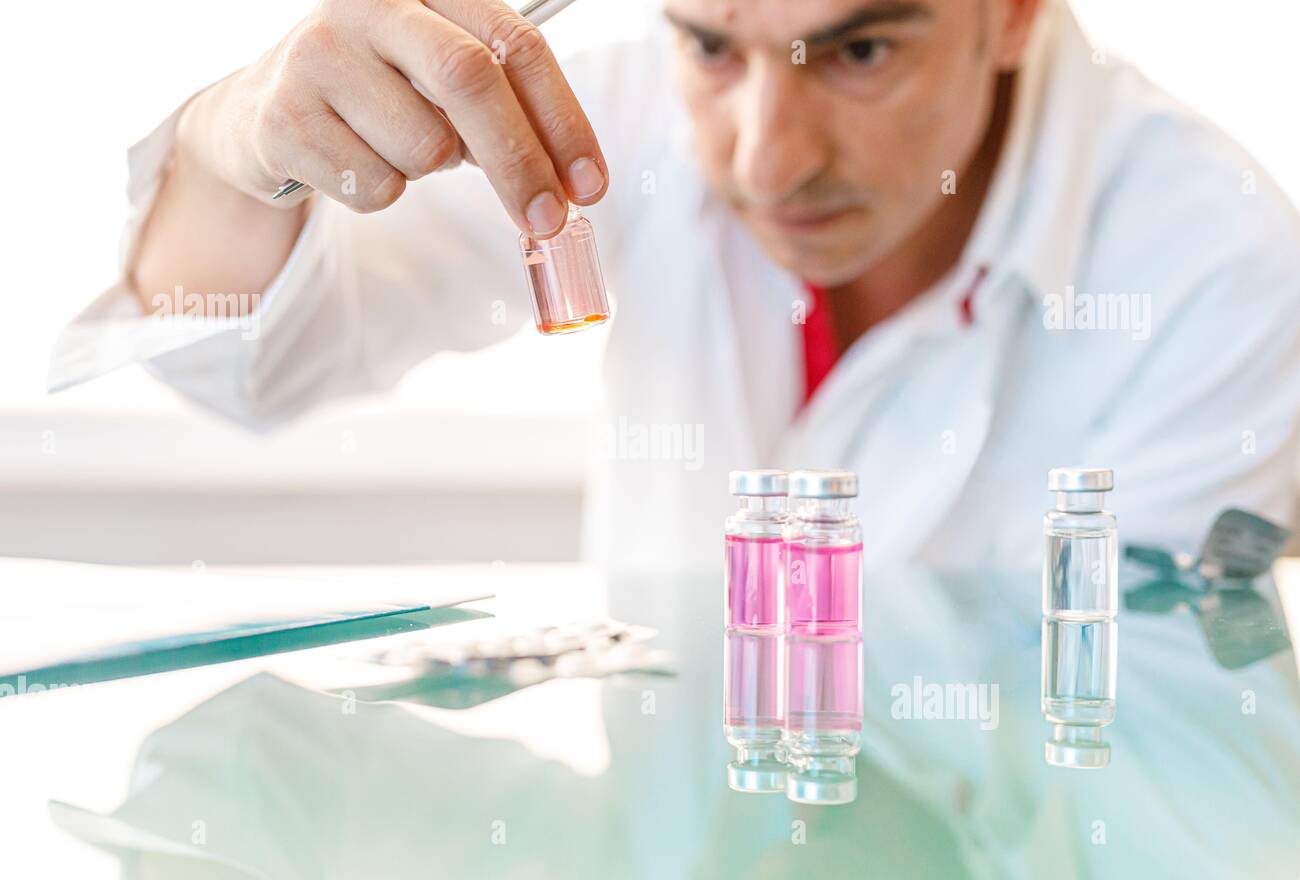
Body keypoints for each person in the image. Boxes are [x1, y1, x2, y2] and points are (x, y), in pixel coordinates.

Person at [50, 0, 1300, 569]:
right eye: (710, 43)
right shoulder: (606, 111)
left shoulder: (1217, 270)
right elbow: (243, 371)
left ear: (1015, 13)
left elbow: (1137, 746)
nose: (765, 157)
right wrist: (233, 152)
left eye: (858, 48)